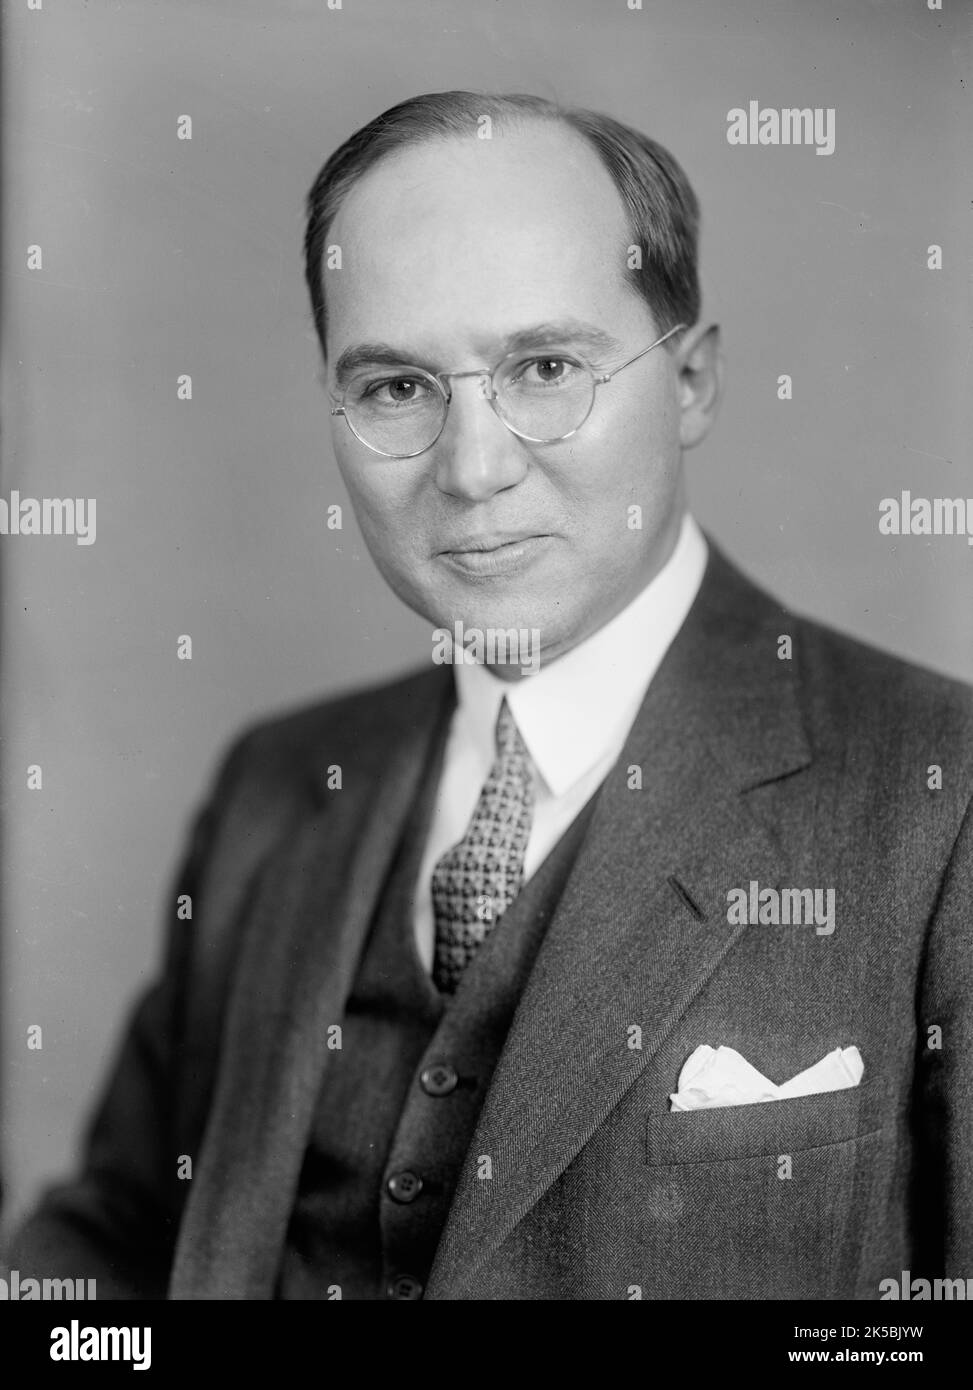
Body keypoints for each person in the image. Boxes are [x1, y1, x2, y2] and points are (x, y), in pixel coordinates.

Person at [5, 91, 972, 1301]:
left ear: (690, 383)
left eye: (546, 367)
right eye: (398, 388)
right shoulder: (275, 785)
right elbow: (116, 1237)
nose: (472, 470)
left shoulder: (940, 802)